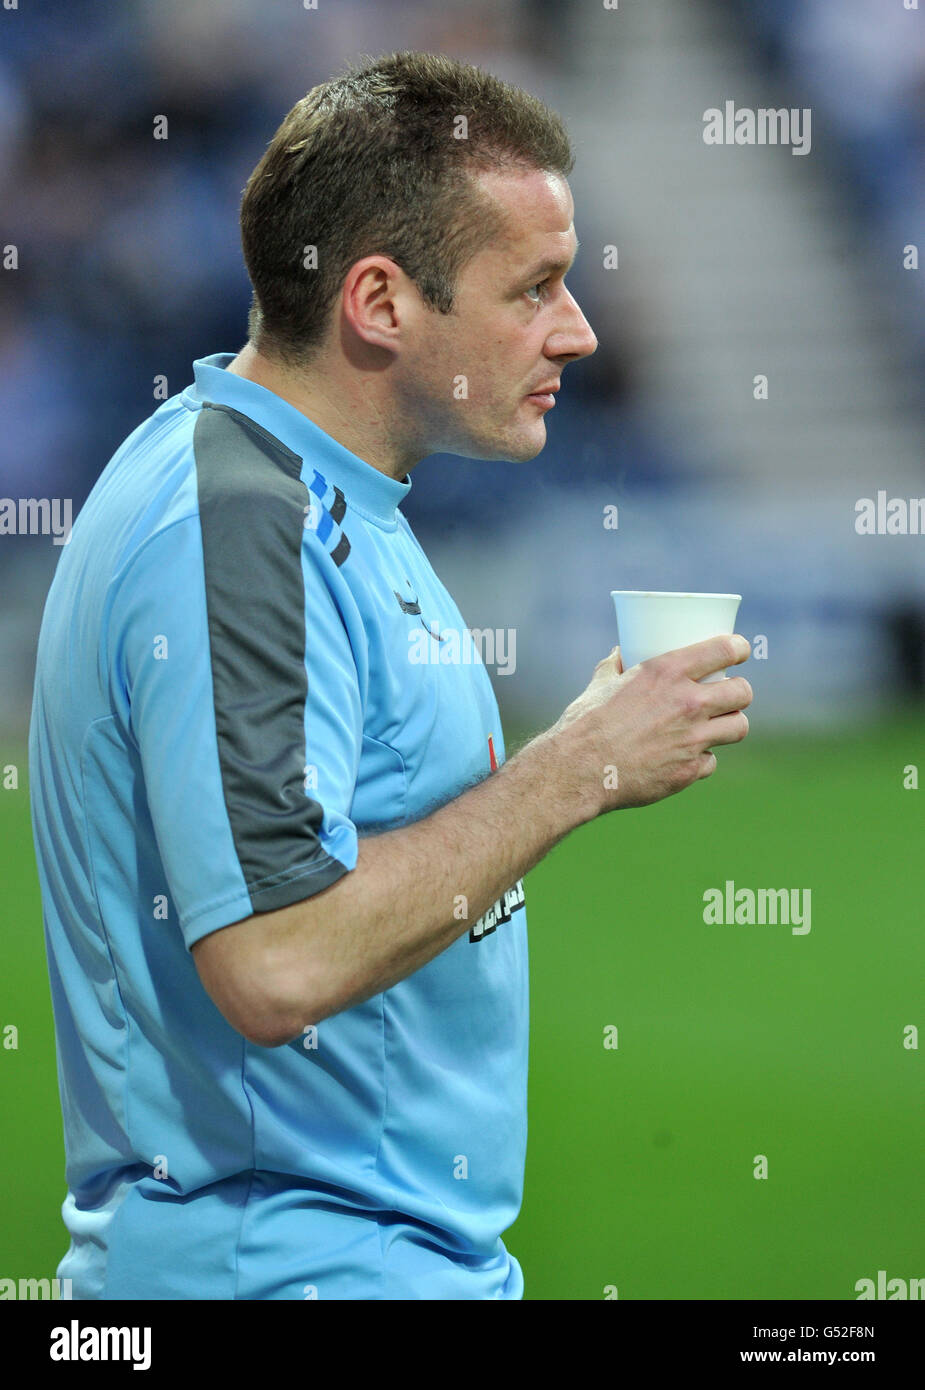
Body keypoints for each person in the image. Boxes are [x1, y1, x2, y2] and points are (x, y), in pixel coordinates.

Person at [28, 50, 752, 1301]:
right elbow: (276, 960)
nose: (576, 330)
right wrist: (576, 770)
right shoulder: (242, 527)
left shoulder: (306, 488)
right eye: (533, 287)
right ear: (377, 300)